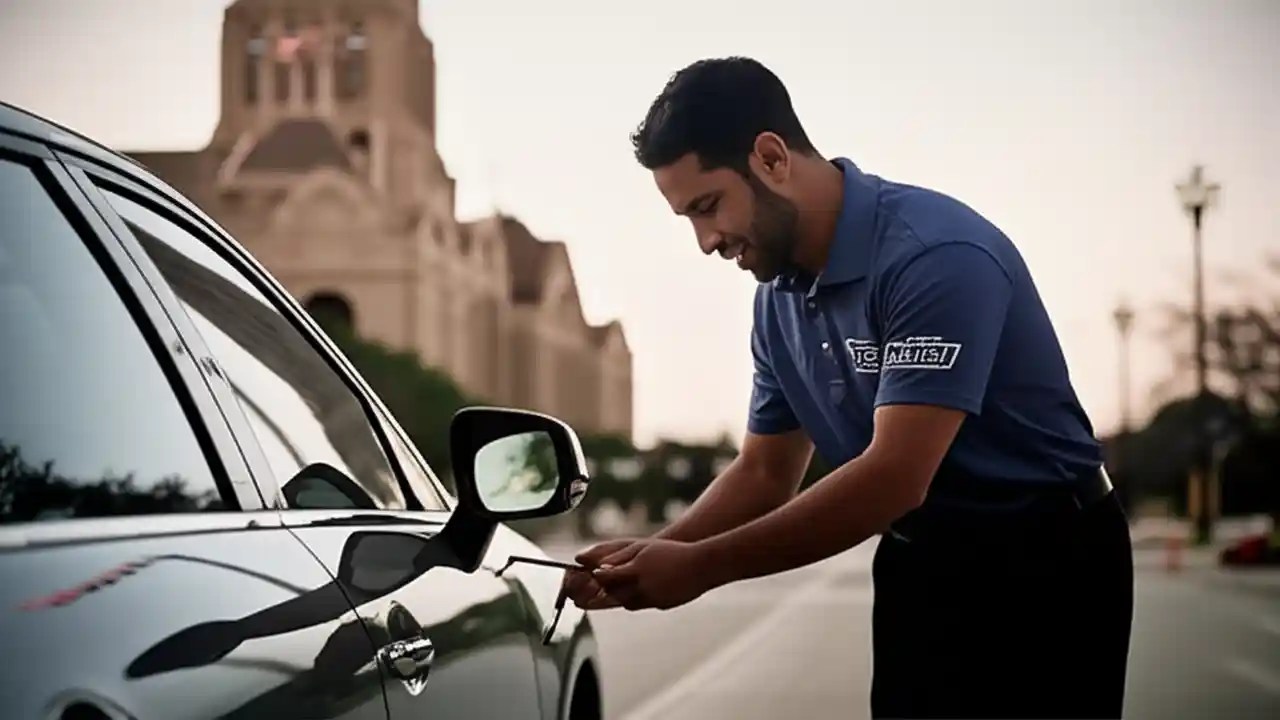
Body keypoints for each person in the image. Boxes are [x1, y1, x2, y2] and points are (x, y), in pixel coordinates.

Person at [561, 56, 1134, 719]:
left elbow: (894, 476)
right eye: (687, 217)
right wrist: (658, 551)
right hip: (919, 557)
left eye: (708, 206)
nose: (705, 241)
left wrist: (701, 568)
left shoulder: (934, 255)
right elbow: (766, 469)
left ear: (772, 158)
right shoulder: (775, 300)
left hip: (1046, 559)